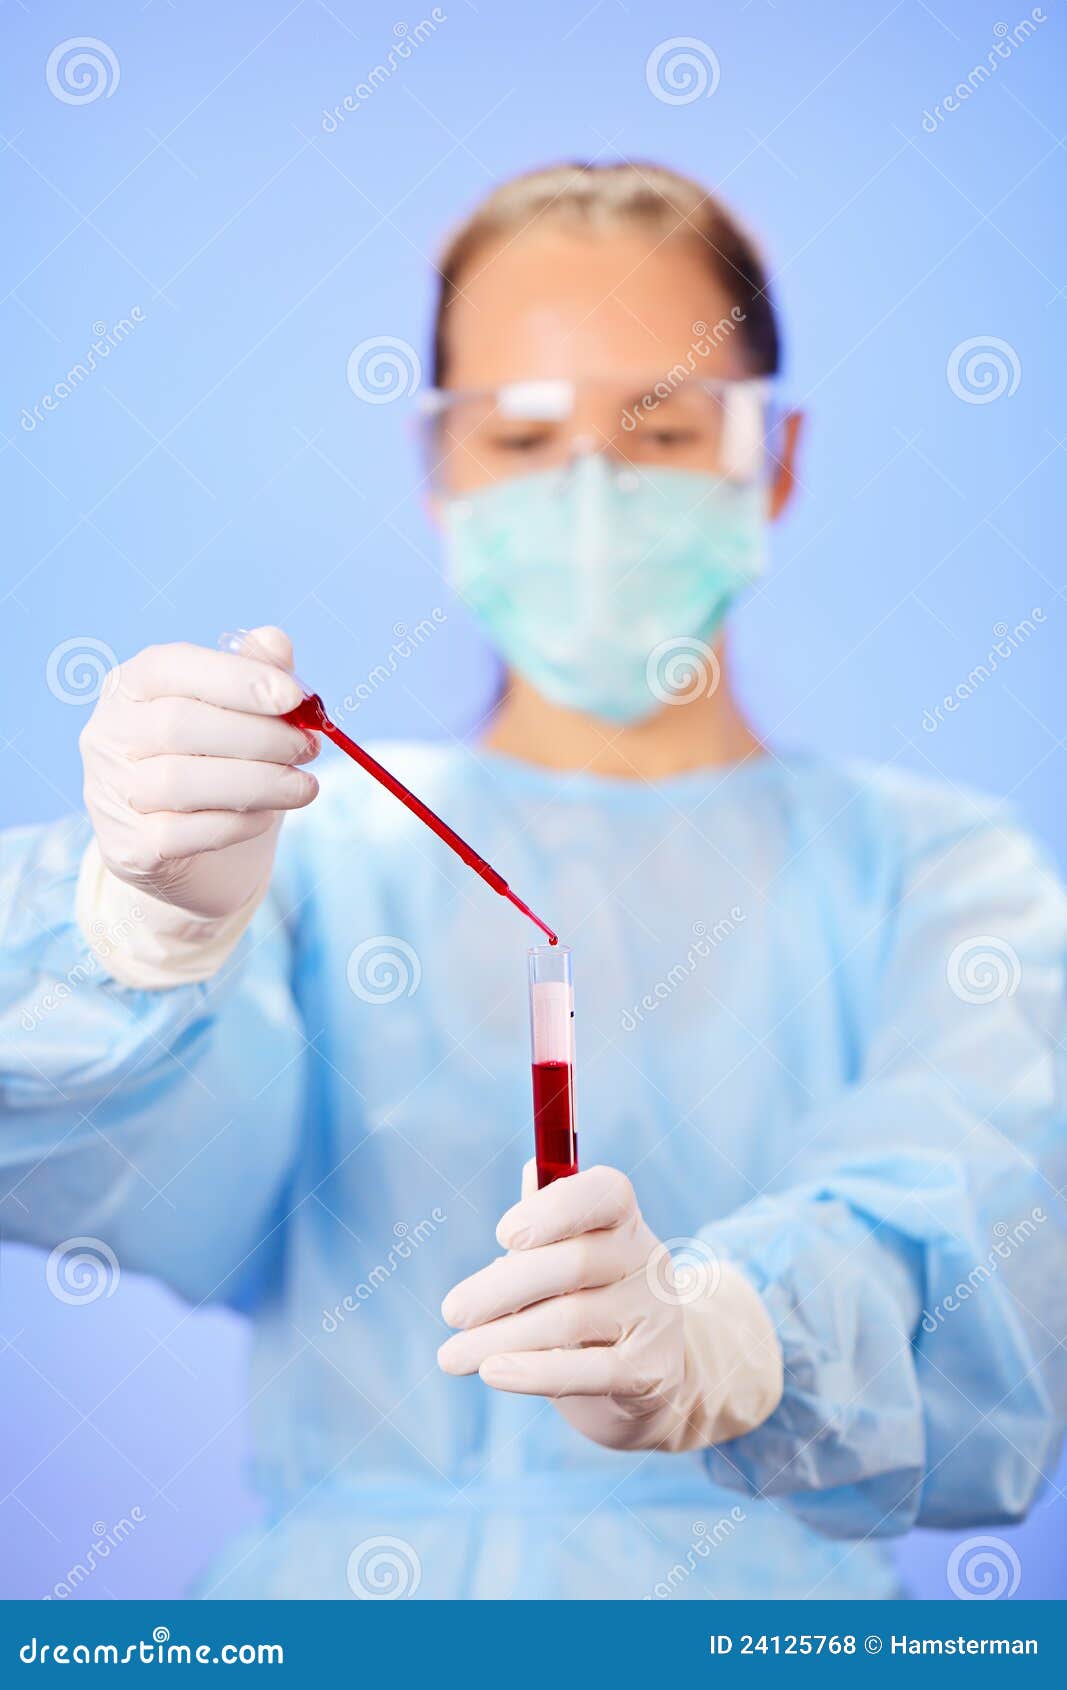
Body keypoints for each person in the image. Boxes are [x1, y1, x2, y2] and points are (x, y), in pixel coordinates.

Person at [2, 162, 1064, 1601]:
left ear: (780, 457)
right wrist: (151, 928)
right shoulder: (306, 855)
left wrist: (733, 1339)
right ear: (438, 471)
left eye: (665, 426)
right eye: (518, 434)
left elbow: (1000, 1257)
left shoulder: (938, 872)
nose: (588, 493)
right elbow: (131, 1178)